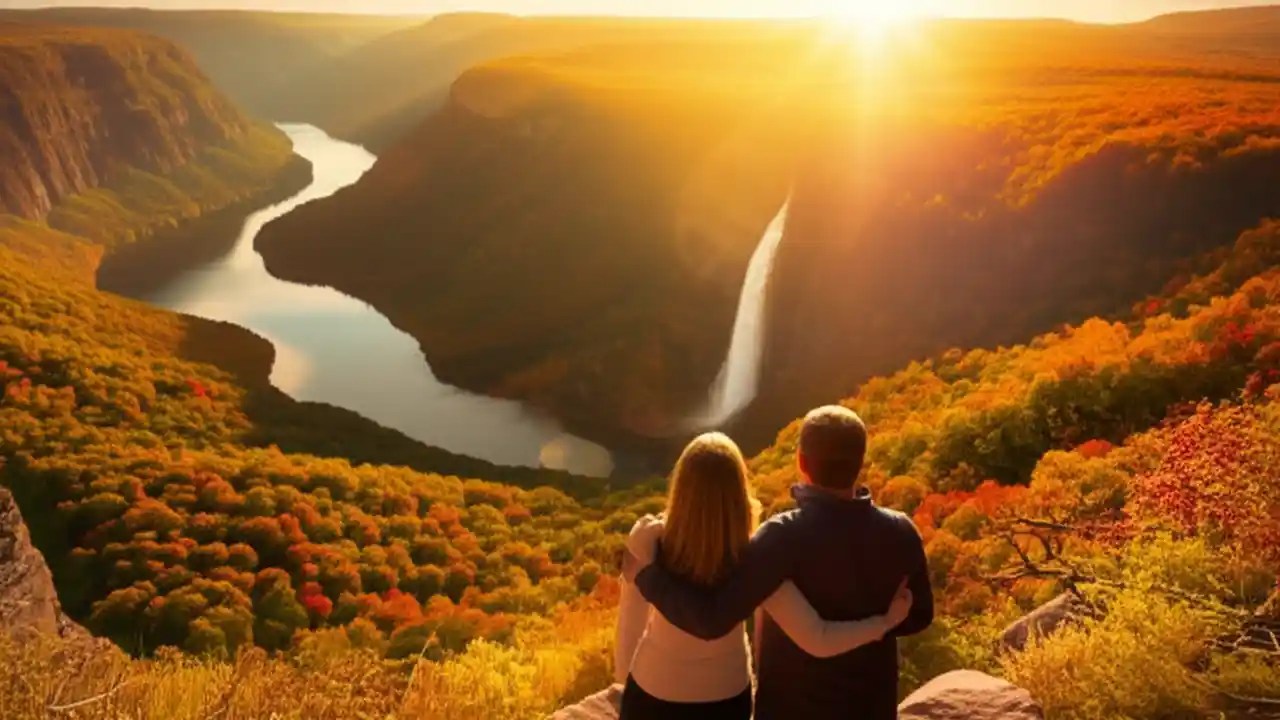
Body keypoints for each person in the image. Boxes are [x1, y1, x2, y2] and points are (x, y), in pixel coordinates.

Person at [624, 406, 933, 720]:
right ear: (861, 461)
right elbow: (919, 616)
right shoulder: (901, 530)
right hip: (871, 708)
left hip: (791, 710)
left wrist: (647, 576)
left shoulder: (781, 538)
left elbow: (712, 619)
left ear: (801, 462)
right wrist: (880, 619)